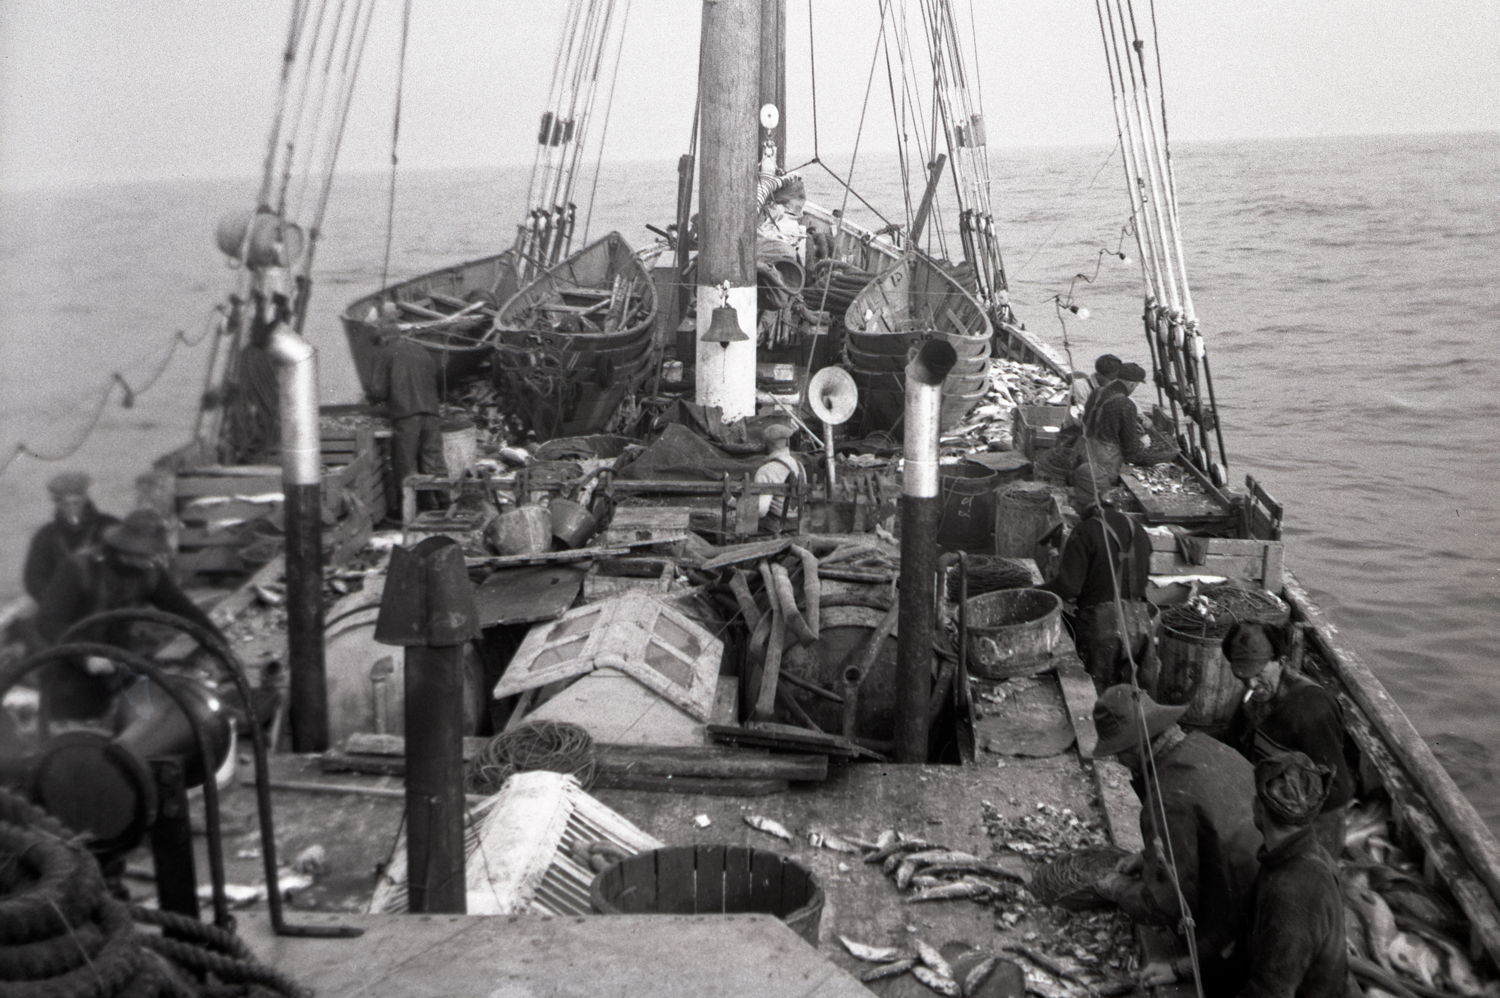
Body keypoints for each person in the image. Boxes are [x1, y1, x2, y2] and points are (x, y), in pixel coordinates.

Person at [1140, 751, 1347, 996]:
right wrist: (1179, 969)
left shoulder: (1293, 890)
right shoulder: (1284, 857)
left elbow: (1269, 992)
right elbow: (1234, 927)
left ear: (1257, 807)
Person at [1091, 685, 1262, 969]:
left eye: (1119, 752)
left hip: (1241, 923)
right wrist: (1148, 856)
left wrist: (1118, 889)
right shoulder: (1206, 745)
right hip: (1259, 880)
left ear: (1135, 747)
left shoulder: (1166, 798)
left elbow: (1165, 902)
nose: (1119, 761)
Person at [34, 508, 224, 723]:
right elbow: (47, 621)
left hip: (117, 666)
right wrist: (85, 657)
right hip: (68, 676)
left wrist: (219, 645)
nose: (154, 561)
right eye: (147, 556)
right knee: (76, 742)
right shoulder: (78, 569)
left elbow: (184, 610)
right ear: (126, 551)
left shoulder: (149, 572)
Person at [1222, 621, 1356, 856]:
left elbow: (1338, 791)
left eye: (1258, 674)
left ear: (1281, 662)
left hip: (1310, 825)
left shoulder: (1311, 710)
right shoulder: (1253, 696)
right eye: (1242, 677)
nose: (1251, 685)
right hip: (1268, 804)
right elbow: (1233, 745)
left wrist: (1286, 825)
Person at [1040, 495, 1155, 689]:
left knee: (1098, 696)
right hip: (1141, 624)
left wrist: (1040, 592)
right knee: (1137, 696)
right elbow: (1144, 576)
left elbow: (1069, 587)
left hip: (1102, 628)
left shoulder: (1085, 530)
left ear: (1088, 512)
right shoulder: (1139, 529)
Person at [367, 304, 445, 514]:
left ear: (383, 339)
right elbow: (435, 379)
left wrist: (372, 401)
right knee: (433, 460)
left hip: (406, 414)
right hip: (431, 412)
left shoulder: (385, 353)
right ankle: (444, 504)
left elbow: (377, 391)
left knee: (406, 464)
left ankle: (407, 512)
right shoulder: (421, 350)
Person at [1070, 361, 1175, 498]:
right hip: (1104, 464)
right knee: (1099, 493)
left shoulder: (1097, 392)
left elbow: (1089, 421)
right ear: (1132, 384)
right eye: (1136, 385)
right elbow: (1130, 450)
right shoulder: (1126, 404)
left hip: (1083, 453)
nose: (1134, 388)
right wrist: (1143, 443)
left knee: (1085, 487)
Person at [23, 471, 119, 601]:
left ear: (85, 499)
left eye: (76, 502)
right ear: (57, 504)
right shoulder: (46, 535)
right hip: (61, 606)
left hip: (108, 603)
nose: (71, 508)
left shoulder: (110, 525)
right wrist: (55, 603)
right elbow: (34, 579)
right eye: (65, 503)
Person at [754, 422, 804, 525]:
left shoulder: (766, 470)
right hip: (798, 525)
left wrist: (734, 503)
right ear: (787, 443)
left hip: (774, 528)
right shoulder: (800, 465)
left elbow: (761, 511)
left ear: (767, 444)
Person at [1069, 353, 1122, 422]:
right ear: (1099, 375)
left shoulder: (1113, 388)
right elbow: (1080, 416)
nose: (1113, 383)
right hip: (1075, 429)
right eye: (1111, 379)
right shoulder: (1080, 386)